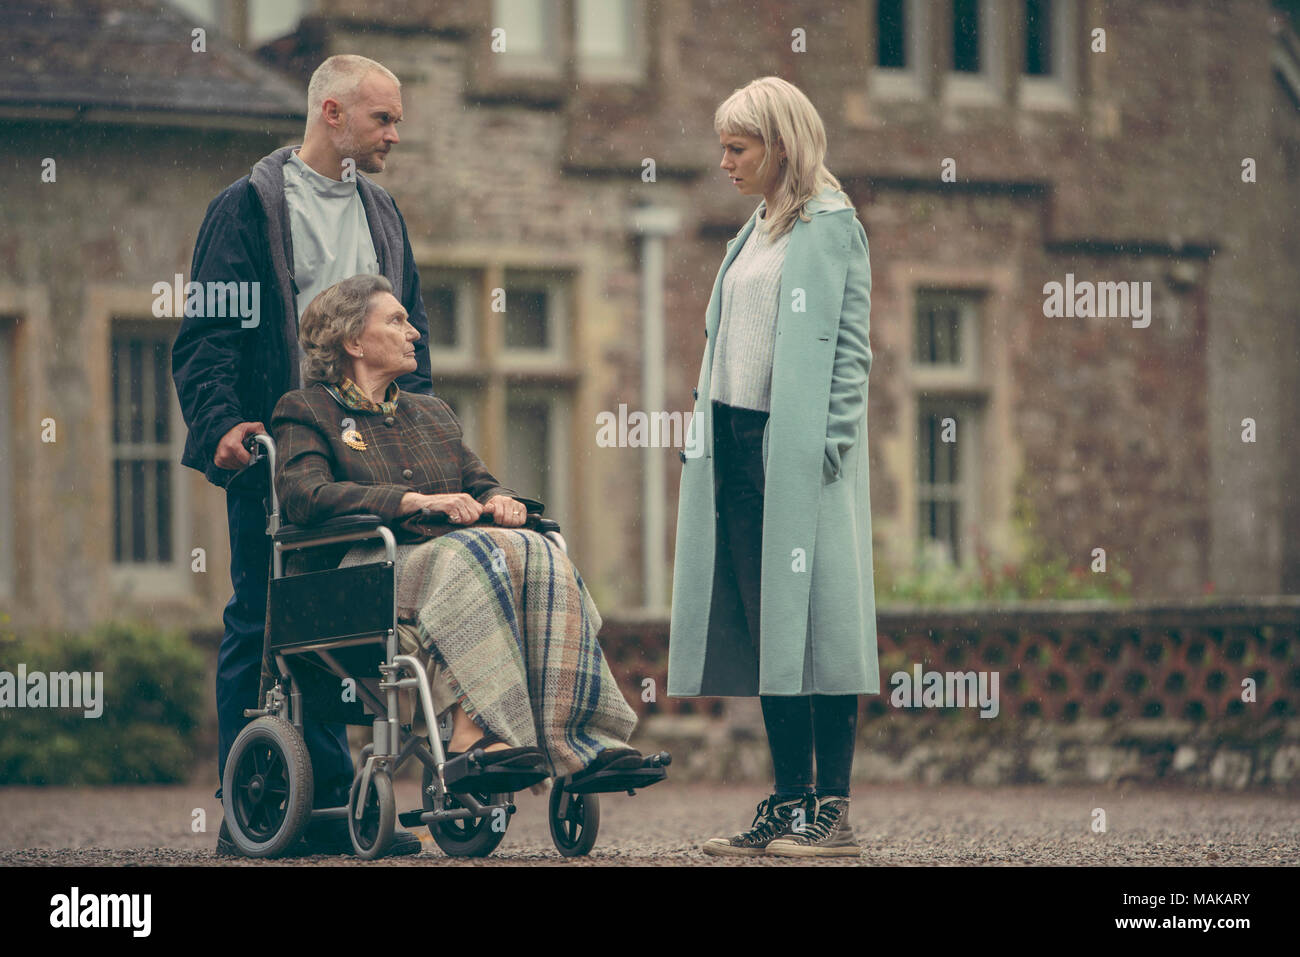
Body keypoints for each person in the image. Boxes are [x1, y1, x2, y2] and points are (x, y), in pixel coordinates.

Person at [171, 54, 433, 856]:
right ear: (332, 115)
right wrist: (221, 421)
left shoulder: (383, 214)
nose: (396, 133)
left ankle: (333, 805)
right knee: (261, 619)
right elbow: (207, 336)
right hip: (276, 451)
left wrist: (423, 441)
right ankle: (251, 807)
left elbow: (412, 338)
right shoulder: (248, 208)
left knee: (348, 625)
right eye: (382, 118)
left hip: (368, 456)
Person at [271, 274, 640, 779]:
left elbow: (478, 482)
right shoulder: (307, 409)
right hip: (359, 567)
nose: (414, 333)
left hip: (445, 562)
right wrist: (408, 501)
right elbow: (303, 496)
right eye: (396, 321)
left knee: (540, 549)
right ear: (354, 341)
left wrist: (502, 502)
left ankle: (580, 742)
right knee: (474, 557)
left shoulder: (430, 413)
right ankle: (473, 735)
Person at [667, 76, 878, 858]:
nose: (723, 160)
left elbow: (852, 353)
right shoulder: (752, 230)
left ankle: (834, 811)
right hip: (732, 443)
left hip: (793, 452)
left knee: (821, 627)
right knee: (770, 631)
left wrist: (824, 446)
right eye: (723, 144)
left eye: (737, 146)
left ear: (781, 145)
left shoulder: (831, 227)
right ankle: (790, 804)